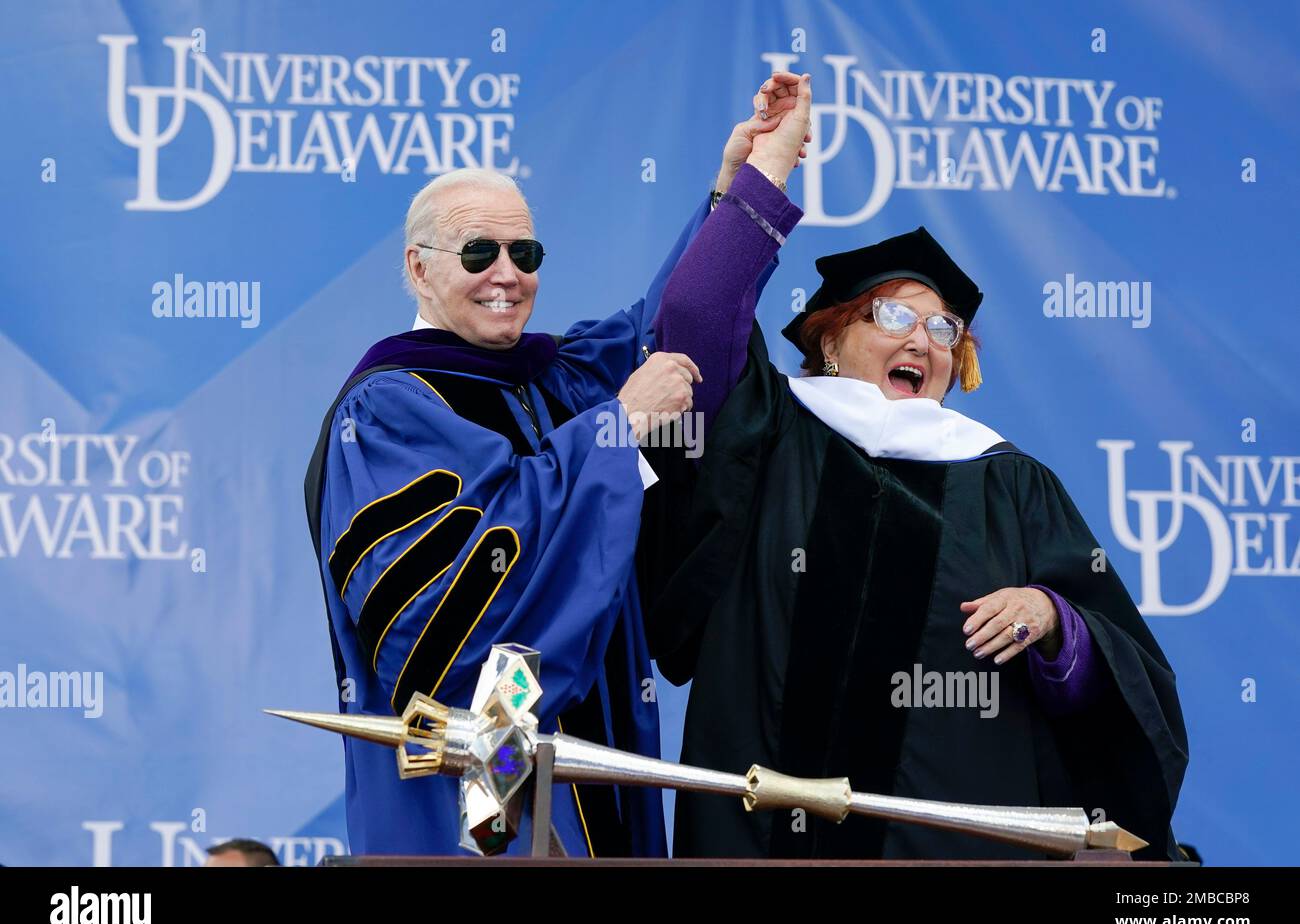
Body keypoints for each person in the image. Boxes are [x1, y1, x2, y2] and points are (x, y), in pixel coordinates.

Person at [641, 77, 1188, 861]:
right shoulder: (765, 431)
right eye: (893, 315)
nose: (925, 340)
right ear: (829, 340)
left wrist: (1053, 619)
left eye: (944, 328)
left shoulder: (1008, 484)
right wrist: (766, 171)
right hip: (759, 836)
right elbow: (692, 319)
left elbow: (1131, 680)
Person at [303, 81, 809, 858]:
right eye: (479, 252)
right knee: (507, 845)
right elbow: (445, 630)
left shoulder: (555, 377)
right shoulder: (385, 412)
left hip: (596, 757)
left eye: (524, 253)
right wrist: (618, 432)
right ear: (418, 267)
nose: (507, 273)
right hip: (479, 769)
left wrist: (746, 183)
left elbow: (671, 329)